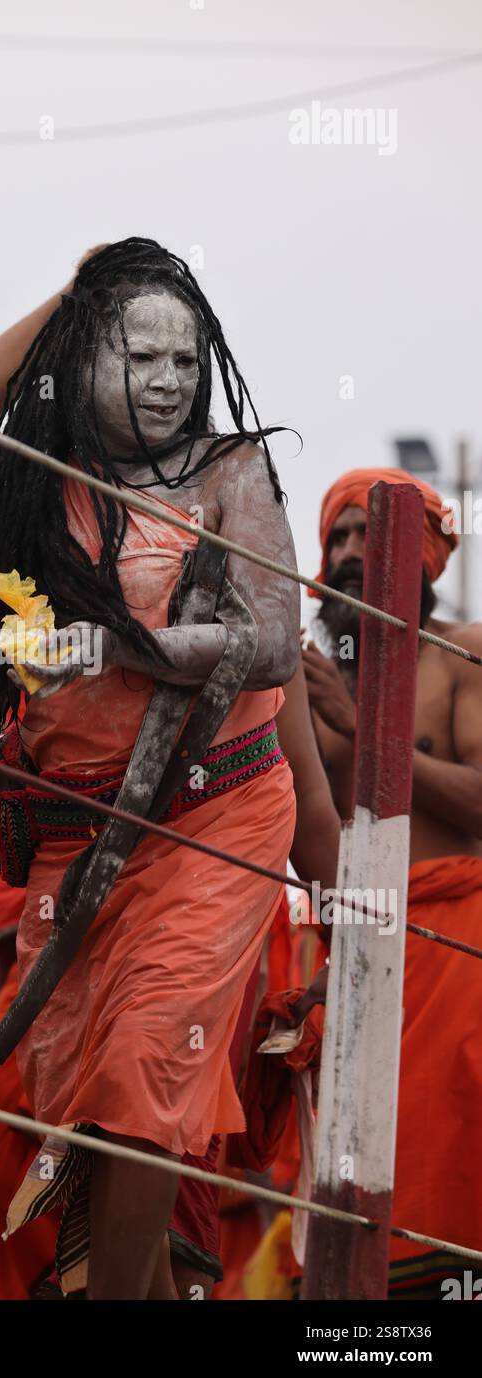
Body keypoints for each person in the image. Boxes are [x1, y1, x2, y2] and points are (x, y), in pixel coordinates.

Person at [0, 238, 300, 1299]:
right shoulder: (29, 500)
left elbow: (273, 637)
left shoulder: (231, 470)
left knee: (143, 1067)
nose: (171, 379)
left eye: (187, 358)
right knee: (83, 1108)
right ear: (83, 356)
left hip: (212, 820)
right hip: (69, 848)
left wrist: (126, 646)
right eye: (140, 353)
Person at [299, 466, 482, 1297]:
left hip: (458, 957)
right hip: (350, 954)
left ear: (422, 557)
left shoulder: (462, 660)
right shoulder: (297, 680)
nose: (343, 553)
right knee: (343, 1220)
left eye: (364, 535)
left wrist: (361, 728)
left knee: (439, 1192)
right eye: (334, 536)